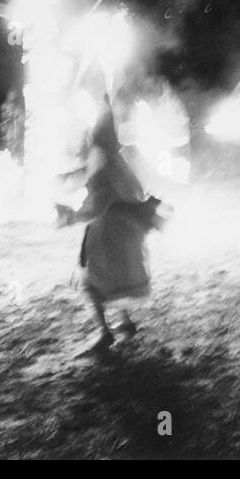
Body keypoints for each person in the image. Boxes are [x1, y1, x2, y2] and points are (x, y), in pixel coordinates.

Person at [77, 99, 165, 355]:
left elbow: (97, 203)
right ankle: (125, 322)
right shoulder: (119, 159)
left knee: (91, 282)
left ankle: (104, 333)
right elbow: (136, 191)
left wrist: (69, 215)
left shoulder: (101, 163)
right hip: (126, 233)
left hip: (109, 234)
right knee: (114, 279)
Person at [0, 88, 25, 162]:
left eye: (13, 94)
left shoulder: (16, 107)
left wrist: (19, 117)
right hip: (9, 130)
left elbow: (21, 118)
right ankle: (14, 160)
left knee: (17, 144)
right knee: (12, 145)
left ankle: (19, 160)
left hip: (16, 129)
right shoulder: (5, 106)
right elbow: (3, 118)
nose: (12, 95)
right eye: (10, 94)